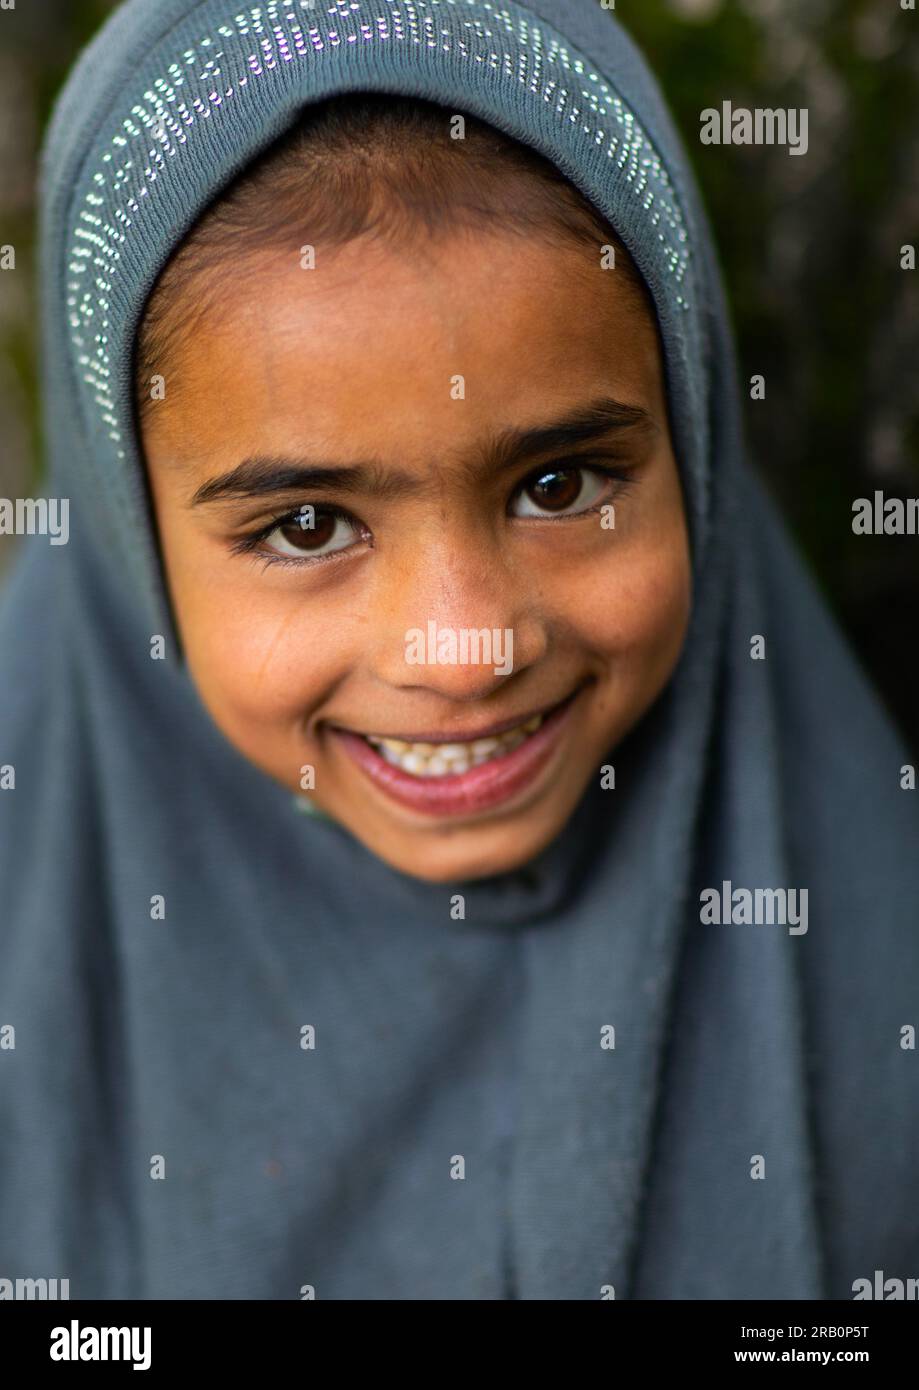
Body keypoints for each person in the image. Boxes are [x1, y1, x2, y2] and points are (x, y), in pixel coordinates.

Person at [1, 0, 916, 1300]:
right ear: (121, 521)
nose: (466, 645)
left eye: (559, 485)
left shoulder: (873, 980)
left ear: (694, 435)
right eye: (307, 524)